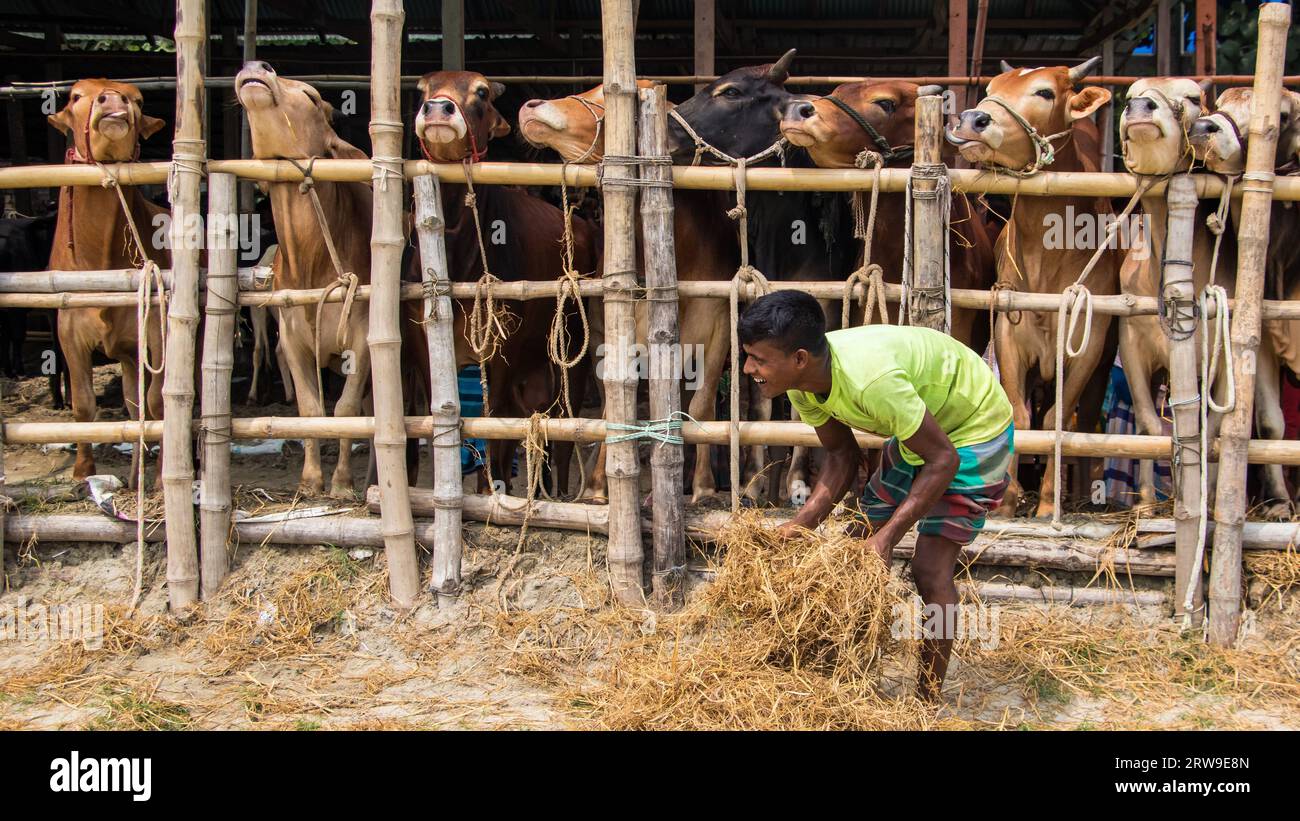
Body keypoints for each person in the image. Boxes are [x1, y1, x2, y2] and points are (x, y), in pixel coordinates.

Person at [737, 290, 1014, 700]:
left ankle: (925, 700)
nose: (747, 368)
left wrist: (887, 538)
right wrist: (800, 525)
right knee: (852, 548)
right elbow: (841, 456)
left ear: (798, 358)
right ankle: (843, 675)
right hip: (922, 427)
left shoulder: (871, 380)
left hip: (975, 430)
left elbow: (944, 461)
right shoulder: (801, 385)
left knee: (929, 571)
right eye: (748, 356)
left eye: (758, 359)